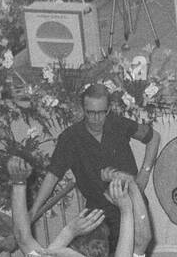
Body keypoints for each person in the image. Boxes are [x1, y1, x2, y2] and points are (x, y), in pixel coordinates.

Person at [27, 83, 158, 243]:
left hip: (132, 205)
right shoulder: (70, 138)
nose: (96, 118)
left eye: (101, 112)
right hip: (100, 215)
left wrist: (144, 174)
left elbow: (154, 137)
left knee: (138, 256)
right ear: (83, 109)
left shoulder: (118, 124)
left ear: (108, 109)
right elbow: (52, 176)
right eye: (91, 113)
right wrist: (33, 212)